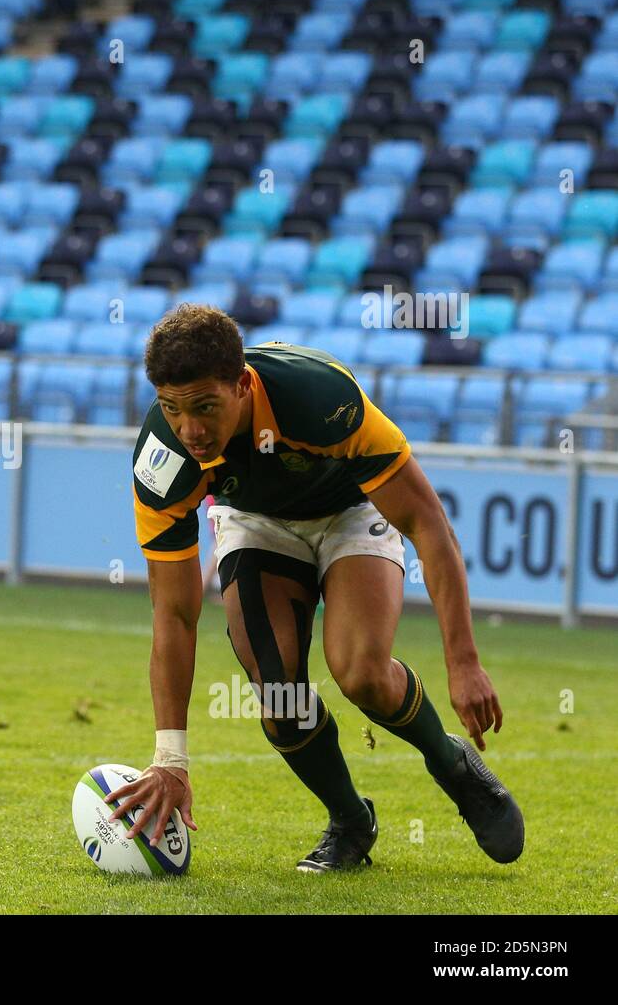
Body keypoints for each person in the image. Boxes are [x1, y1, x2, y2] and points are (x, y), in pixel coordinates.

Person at [106, 305, 524, 871]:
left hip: (349, 510)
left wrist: (465, 661)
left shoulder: (319, 398)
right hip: (256, 522)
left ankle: (450, 765)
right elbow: (174, 616)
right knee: (279, 694)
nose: (191, 431)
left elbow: (429, 524)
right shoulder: (163, 462)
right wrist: (170, 758)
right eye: (172, 409)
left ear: (242, 383)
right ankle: (352, 822)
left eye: (205, 407)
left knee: (363, 675)